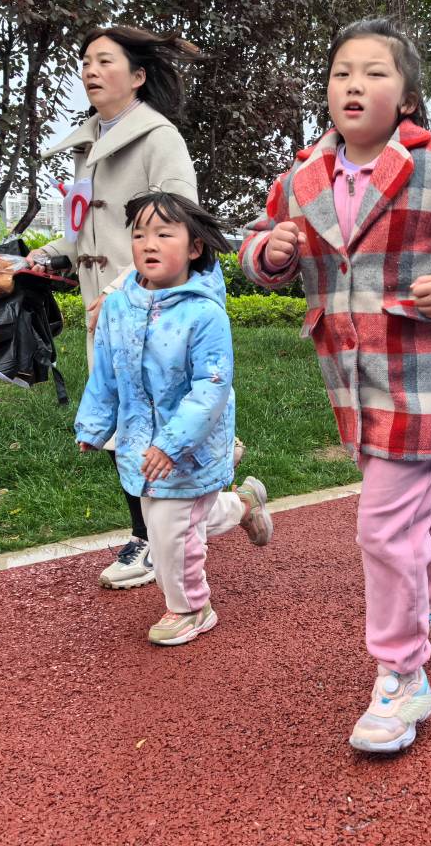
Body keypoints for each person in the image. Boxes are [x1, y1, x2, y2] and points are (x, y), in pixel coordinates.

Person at [238, 18, 431, 753]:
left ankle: (402, 675)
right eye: (340, 73)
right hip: (349, 380)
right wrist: (268, 251)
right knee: (409, 517)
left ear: (409, 96)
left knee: (381, 523)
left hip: (419, 377)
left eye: (373, 72)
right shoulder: (300, 179)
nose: (354, 85)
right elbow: (256, 250)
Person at [32, 25, 219, 591]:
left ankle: (151, 539)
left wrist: (121, 292)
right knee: (122, 421)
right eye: (85, 61)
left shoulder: (159, 139)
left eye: (104, 61)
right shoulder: (86, 147)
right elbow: (82, 228)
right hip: (105, 311)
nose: (90, 70)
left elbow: (180, 223)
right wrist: (37, 259)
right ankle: (190, 517)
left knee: (152, 419)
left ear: (137, 76)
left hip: (152, 310)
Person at [75, 191, 273, 645]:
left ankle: (190, 608)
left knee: (168, 534)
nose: (149, 244)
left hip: (189, 447)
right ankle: (244, 504)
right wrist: (94, 425)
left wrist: (172, 443)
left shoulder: (204, 312)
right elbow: (107, 371)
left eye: (164, 234)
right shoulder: (120, 306)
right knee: (180, 523)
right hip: (138, 445)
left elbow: (211, 386)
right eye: (140, 234)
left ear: (194, 246)